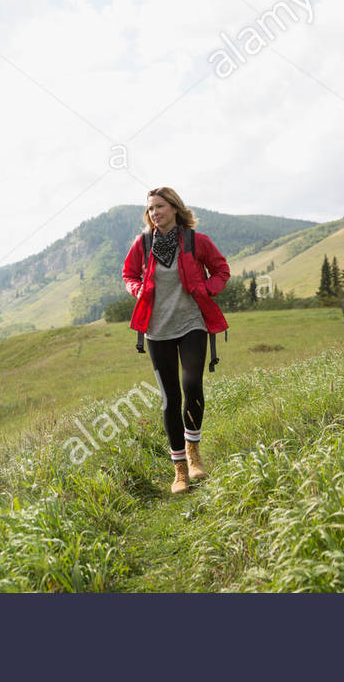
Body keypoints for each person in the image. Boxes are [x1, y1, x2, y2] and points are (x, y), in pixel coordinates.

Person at [121, 186, 230, 494]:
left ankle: (194, 452)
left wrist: (207, 289)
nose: (155, 213)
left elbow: (222, 270)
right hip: (157, 329)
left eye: (160, 206)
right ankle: (179, 470)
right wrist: (137, 289)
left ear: (174, 208)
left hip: (192, 322)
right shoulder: (142, 243)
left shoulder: (197, 241)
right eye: (151, 208)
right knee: (170, 399)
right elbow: (128, 275)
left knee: (192, 384)